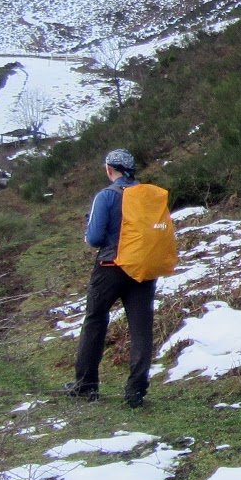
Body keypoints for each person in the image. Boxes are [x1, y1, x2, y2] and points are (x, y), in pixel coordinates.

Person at [65, 149, 157, 408]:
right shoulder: (148, 195)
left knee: (95, 321)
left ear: (109, 169)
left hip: (110, 266)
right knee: (141, 329)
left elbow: (94, 239)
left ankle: (86, 385)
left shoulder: (105, 196)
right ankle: (136, 391)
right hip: (143, 268)